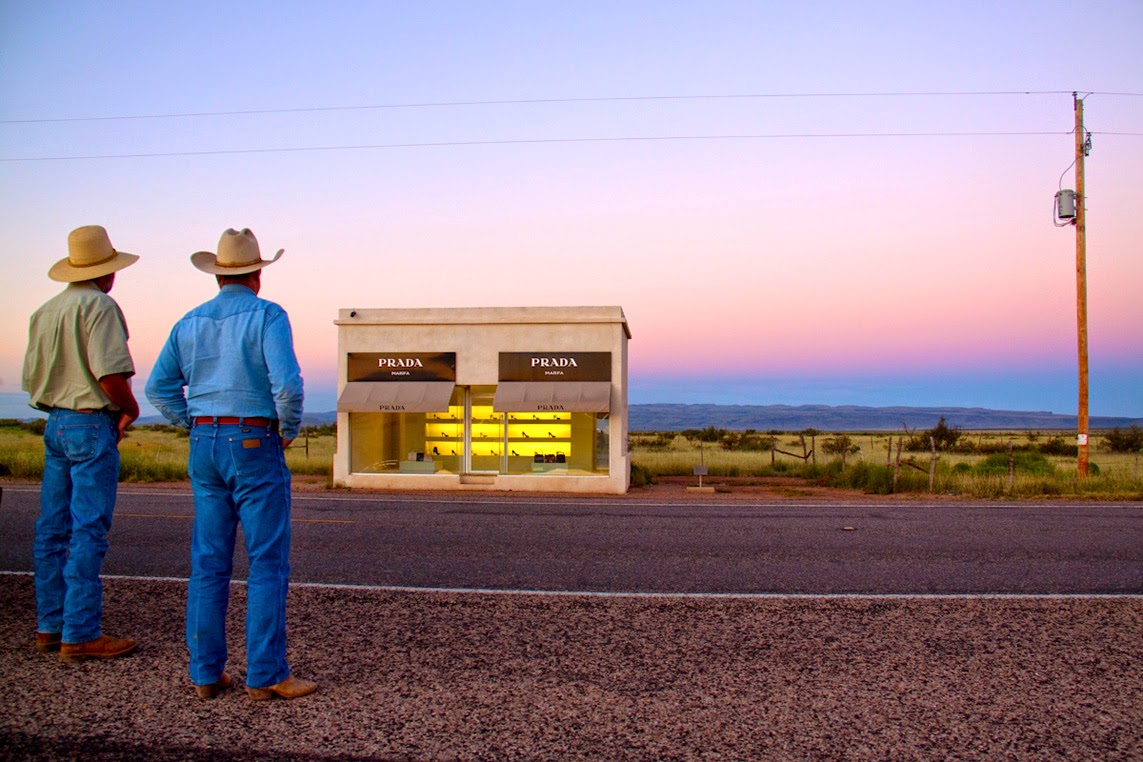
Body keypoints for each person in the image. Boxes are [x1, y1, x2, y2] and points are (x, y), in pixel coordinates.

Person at [145, 228, 315, 701]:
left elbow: (158, 388)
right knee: (266, 561)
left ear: (218, 274)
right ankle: (265, 674)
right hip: (253, 439)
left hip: (205, 440)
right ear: (258, 274)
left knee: (209, 561)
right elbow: (288, 385)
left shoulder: (189, 321)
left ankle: (205, 673)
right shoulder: (267, 315)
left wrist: (192, 424)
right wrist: (286, 430)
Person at [22, 225, 141, 663]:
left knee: (51, 529)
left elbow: (32, 378)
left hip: (54, 421)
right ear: (105, 271)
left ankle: (49, 626)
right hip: (90, 422)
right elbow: (110, 375)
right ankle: (81, 633)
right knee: (88, 529)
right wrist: (129, 408)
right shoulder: (100, 306)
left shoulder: (45, 311)